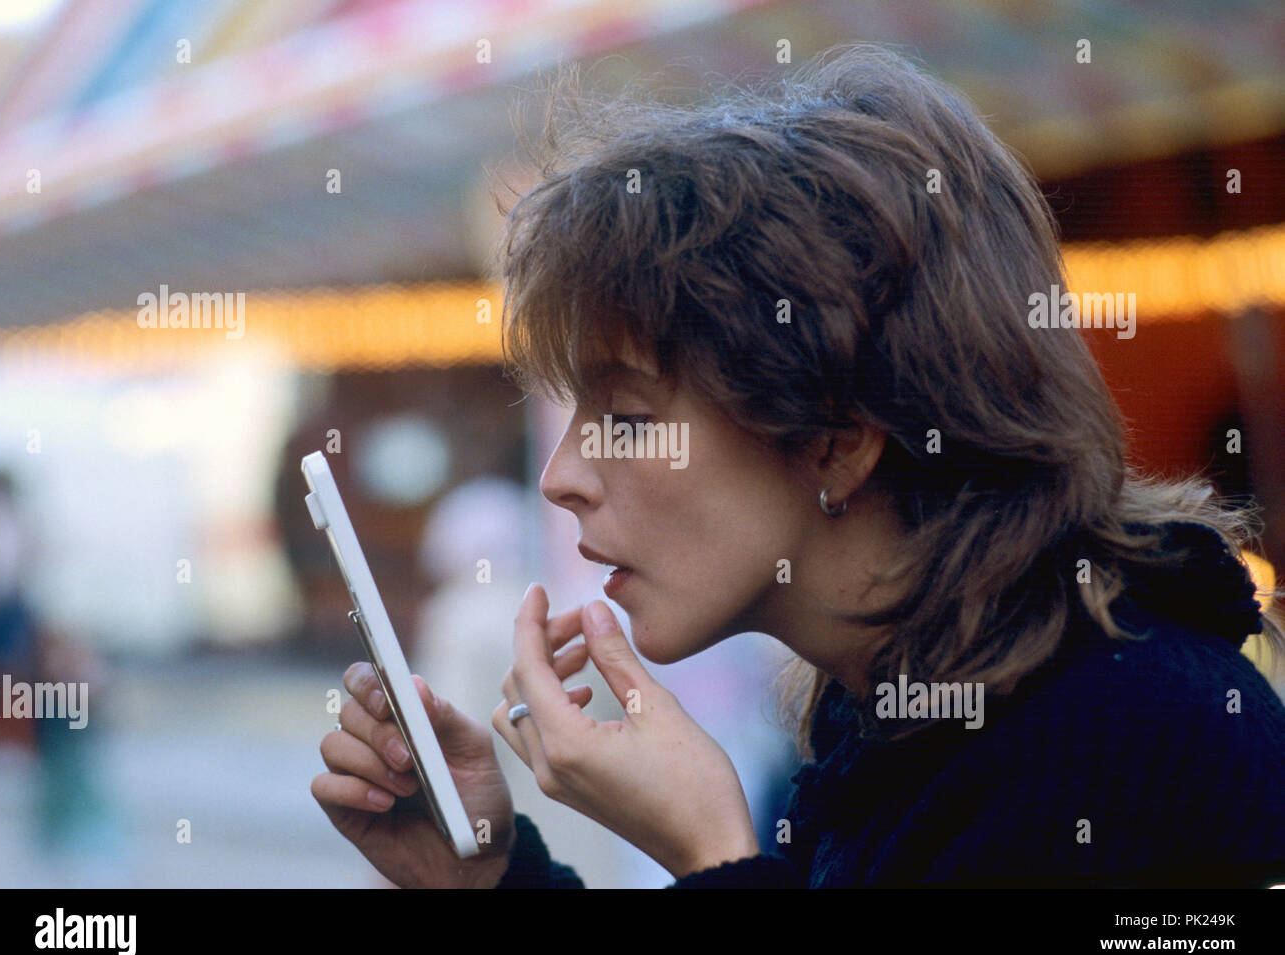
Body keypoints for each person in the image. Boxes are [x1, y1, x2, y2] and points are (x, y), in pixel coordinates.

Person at [310, 44, 1285, 887]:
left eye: (629, 417)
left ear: (837, 436)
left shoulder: (1124, 736)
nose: (561, 476)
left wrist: (710, 852)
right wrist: (495, 875)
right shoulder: (883, 725)